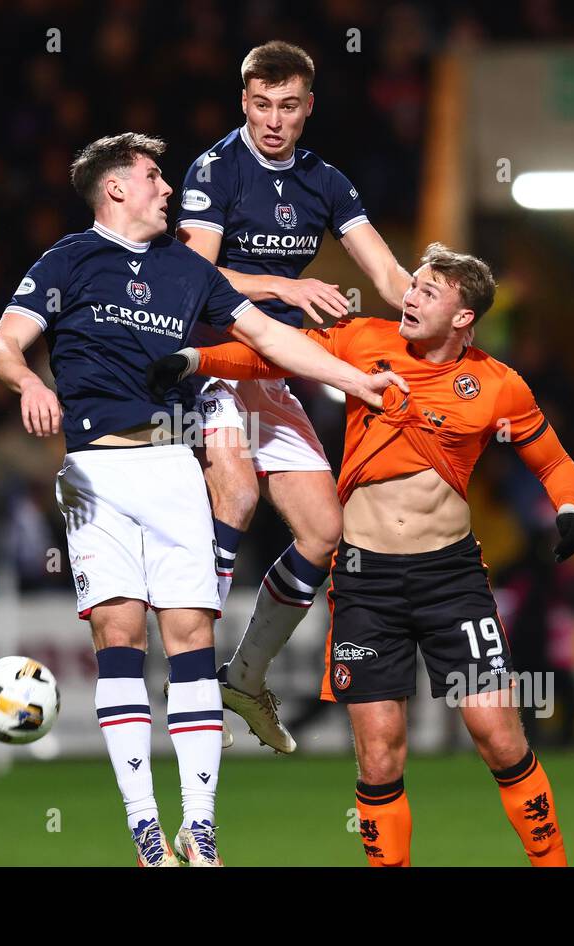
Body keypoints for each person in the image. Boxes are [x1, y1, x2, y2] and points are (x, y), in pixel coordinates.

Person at [0, 133, 404, 867]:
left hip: (175, 467)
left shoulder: (185, 268)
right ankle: (146, 829)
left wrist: (353, 378)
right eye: (153, 178)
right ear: (116, 190)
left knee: (189, 642)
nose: (168, 191)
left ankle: (200, 830)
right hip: (95, 474)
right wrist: (29, 383)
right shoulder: (66, 261)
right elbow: (2, 345)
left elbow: (271, 336)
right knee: (119, 637)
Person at [146, 243, 574, 866]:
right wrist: (196, 357)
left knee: (498, 735)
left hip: (450, 577)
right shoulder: (360, 340)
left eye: (429, 292)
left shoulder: (497, 384)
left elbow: (554, 460)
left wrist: (570, 510)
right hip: (365, 580)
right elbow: (268, 355)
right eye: (414, 285)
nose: (409, 295)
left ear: (464, 317)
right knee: (380, 752)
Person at [175, 40, 416, 753]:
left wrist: (440, 313)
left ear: (308, 106)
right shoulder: (215, 169)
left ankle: (242, 676)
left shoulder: (326, 182)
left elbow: (389, 273)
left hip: (272, 370)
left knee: (323, 531)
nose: (273, 121)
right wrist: (286, 285)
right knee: (240, 496)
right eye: (260, 105)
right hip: (209, 361)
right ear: (242, 101)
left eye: (287, 106)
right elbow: (193, 278)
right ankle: (189, 672)